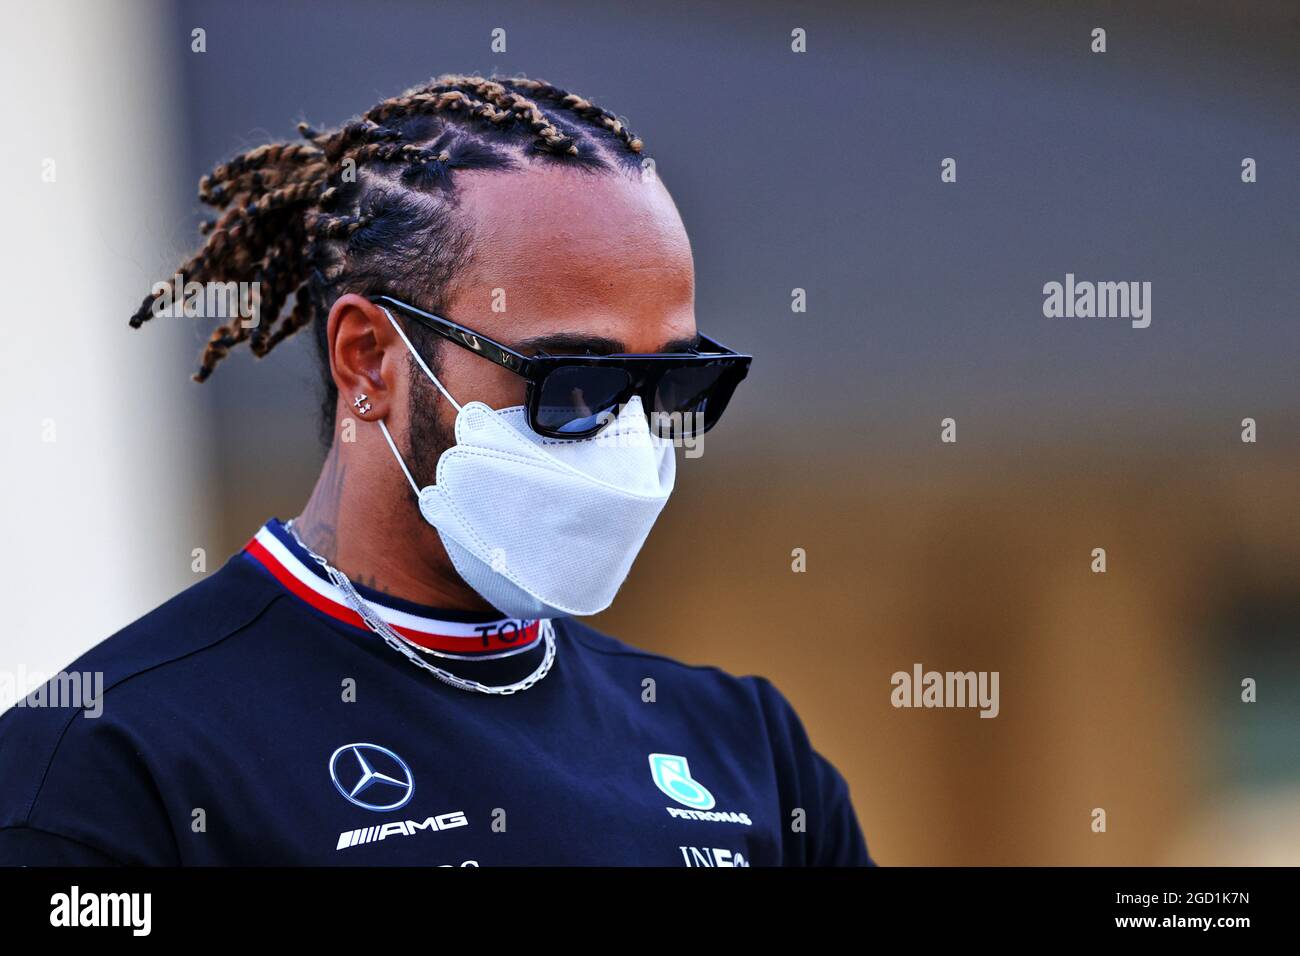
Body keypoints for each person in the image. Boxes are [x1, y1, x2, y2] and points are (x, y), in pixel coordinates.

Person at [0, 74, 872, 866]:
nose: (630, 442)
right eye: (574, 382)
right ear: (370, 359)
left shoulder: (751, 753)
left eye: (671, 384)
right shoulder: (107, 765)